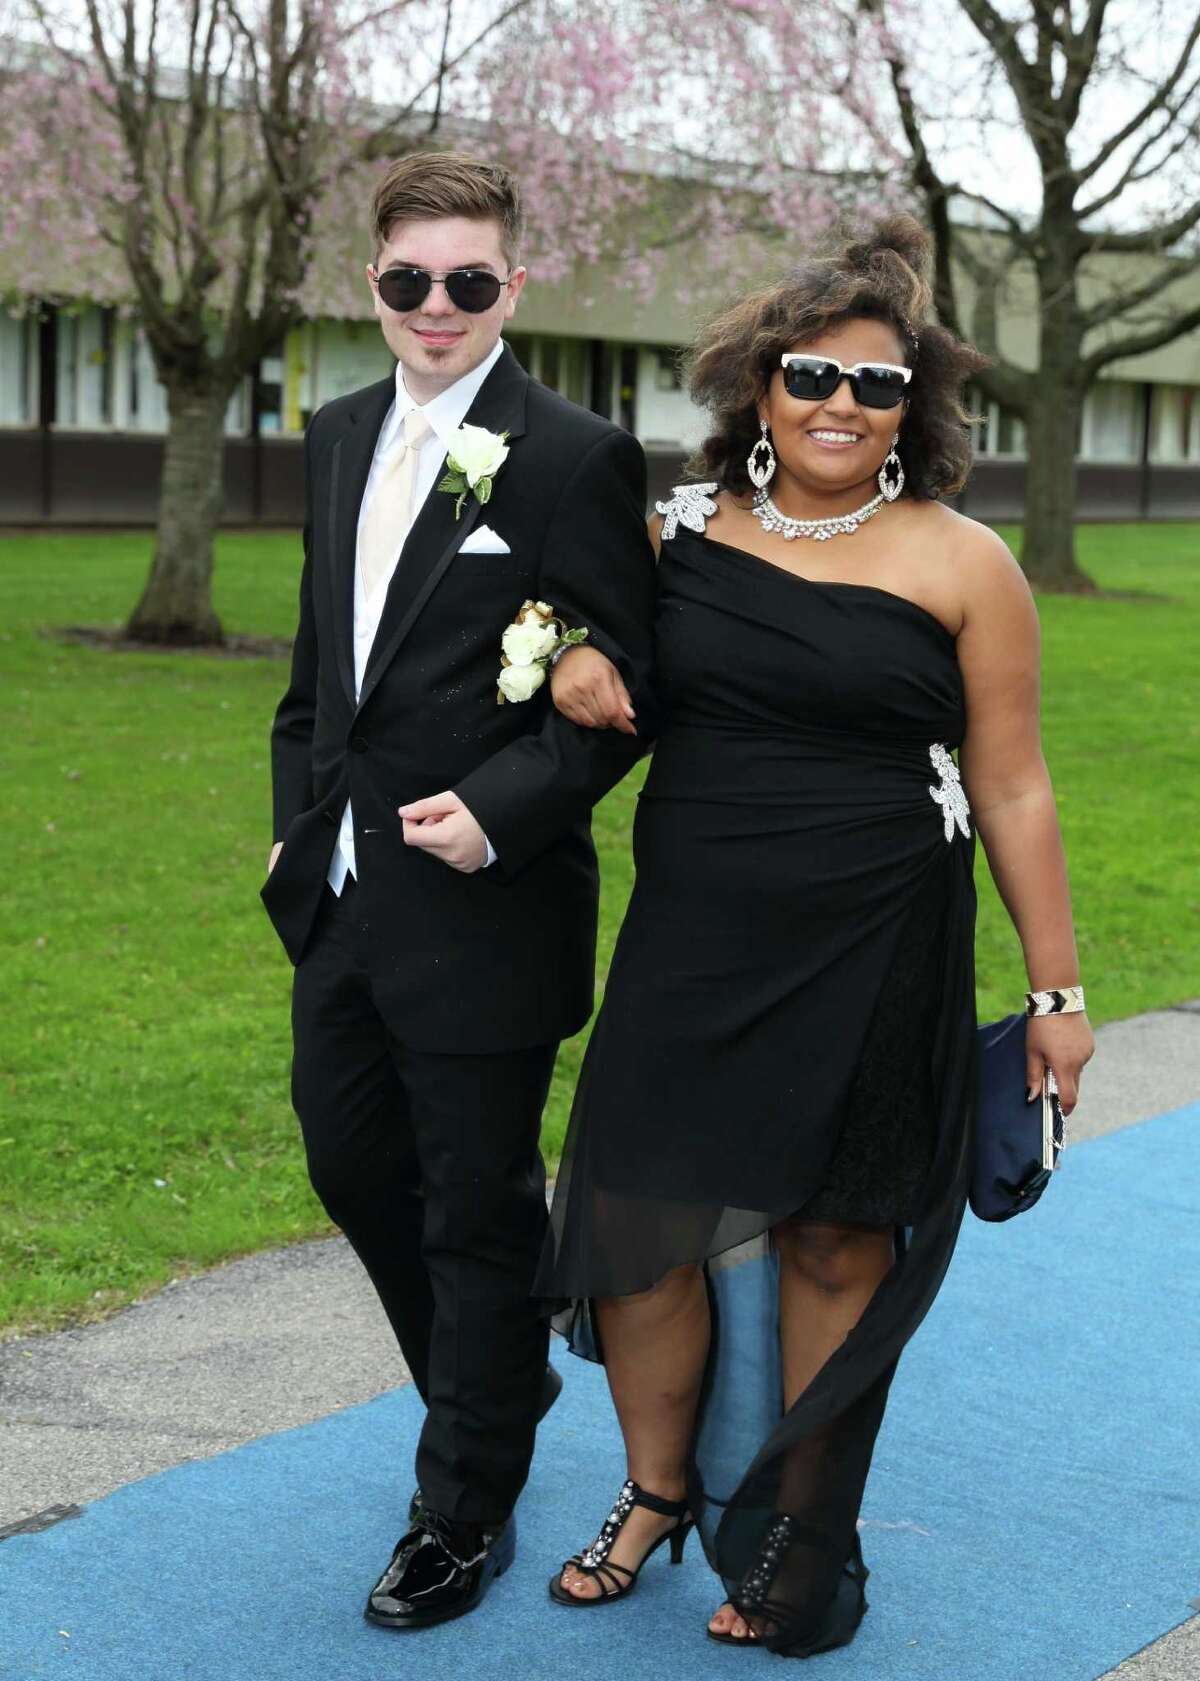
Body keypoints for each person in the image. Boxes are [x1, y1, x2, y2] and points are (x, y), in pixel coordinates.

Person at [536, 215, 1094, 1654]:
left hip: (879, 932)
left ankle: (803, 1536)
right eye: (811, 376)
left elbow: (1015, 778)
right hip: (696, 935)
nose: (841, 405)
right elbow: (567, 625)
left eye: (876, 385)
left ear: (916, 408)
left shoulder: (966, 561)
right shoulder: (672, 535)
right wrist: (586, 645)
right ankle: (660, 1489)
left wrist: (1058, 988)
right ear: (757, 389)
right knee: (637, 1226)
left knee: (843, 1237)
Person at [262, 151, 655, 1630]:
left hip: (488, 907)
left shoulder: (569, 454)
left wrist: (498, 813)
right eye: (411, 279)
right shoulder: (336, 432)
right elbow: (320, 675)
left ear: (514, 285)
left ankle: (463, 1501)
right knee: (351, 1164)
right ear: (374, 282)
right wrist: (298, 825)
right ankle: (497, 1383)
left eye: (470, 281)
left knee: (475, 1213)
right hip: (345, 897)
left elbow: (625, 690)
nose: (439, 305)